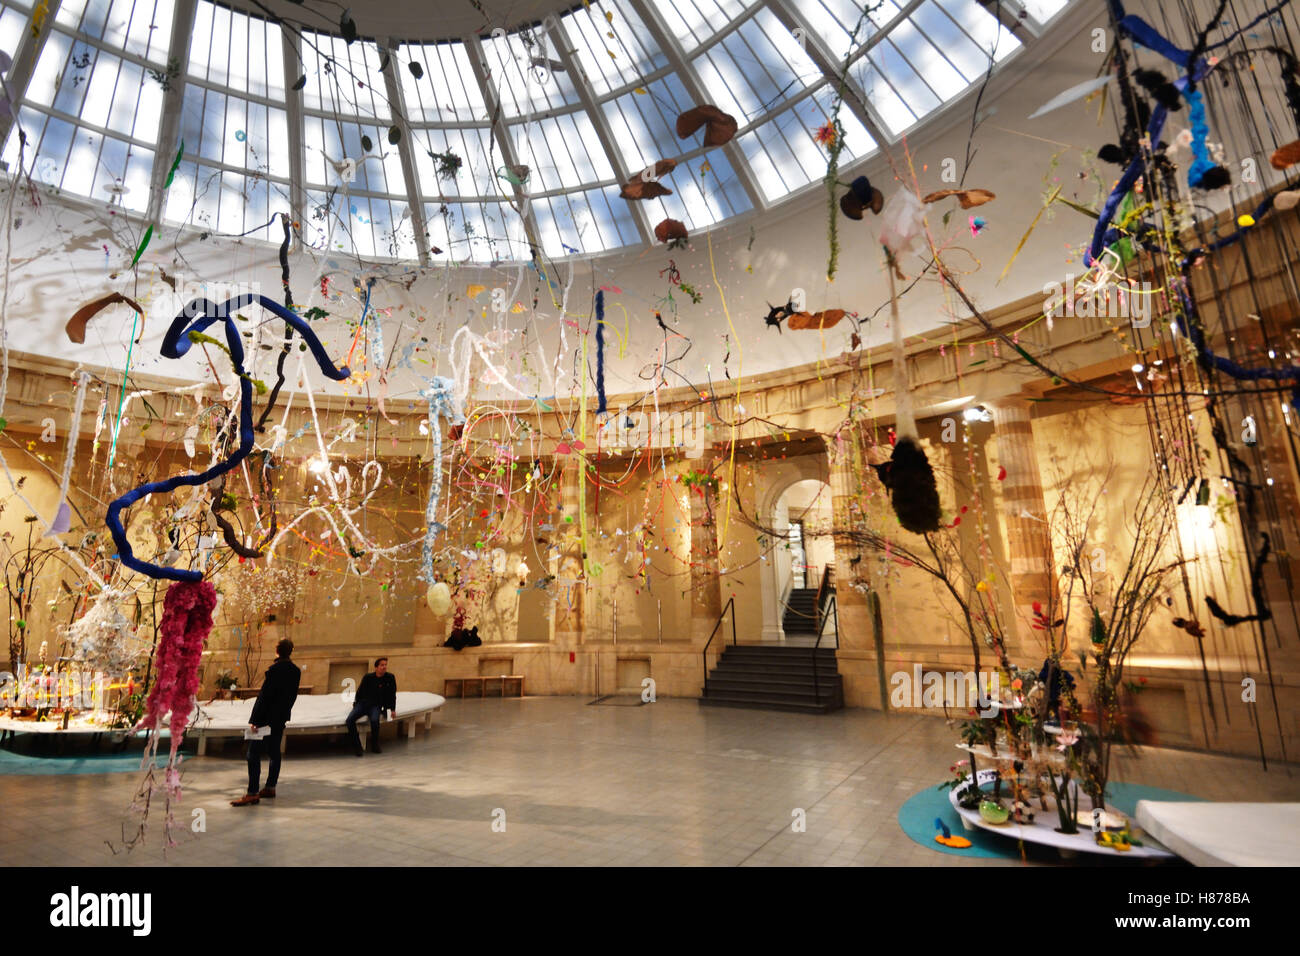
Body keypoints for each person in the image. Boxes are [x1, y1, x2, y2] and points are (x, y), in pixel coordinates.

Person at [232, 639, 301, 807]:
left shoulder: (274, 670)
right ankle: (270, 787)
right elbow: (291, 697)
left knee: (253, 754)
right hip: (280, 718)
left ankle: (252, 792)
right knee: (274, 752)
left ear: (277, 650)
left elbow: (265, 697)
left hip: (265, 719)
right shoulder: (295, 671)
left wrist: (255, 720)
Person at [346, 657, 397, 755]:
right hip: (363, 704)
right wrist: (356, 705)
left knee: (374, 721)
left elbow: (392, 694)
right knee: (349, 720)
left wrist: (392, 709)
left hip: (376, 705)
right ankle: (357, 746)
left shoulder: (390, 677)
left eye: (385, 665)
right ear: (376, 667)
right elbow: (359, 692)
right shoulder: (368, 677)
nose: (384, 667)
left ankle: (375, 745)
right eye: (382, 665)